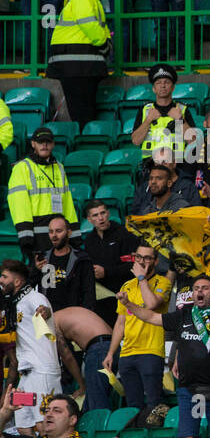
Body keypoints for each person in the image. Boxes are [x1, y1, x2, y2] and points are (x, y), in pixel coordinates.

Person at [120, 275, 210, 438]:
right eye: (196, 288)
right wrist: (128, 304)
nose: (200, 291)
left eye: (205, 288)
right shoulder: (184, 314)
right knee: (188, 437)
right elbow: (151, 317)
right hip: (192, 392)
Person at [104, 245, 172, 425]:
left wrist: (142, 278)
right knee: (133, 406)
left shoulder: (162, 282)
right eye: (139, 257)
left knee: (153, 405)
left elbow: (151, 305)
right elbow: (121, 322)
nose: (142, 261)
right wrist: (111, 353)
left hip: (151, 351)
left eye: (147, 258)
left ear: (156, 261)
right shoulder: (127, 285)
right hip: (127, 353)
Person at [0, 260, 62, 434]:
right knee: (23, 424)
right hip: (26, 373)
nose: (1, 280)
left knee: (44, 423)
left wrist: (44, 312)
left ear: (18, 281)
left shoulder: (34, 297)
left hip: (42, 371)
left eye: (5, 277)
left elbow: (43, 309)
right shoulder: (14, 304)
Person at [46, 0, 109, 126]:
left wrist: (103, 45)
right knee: (82, 112)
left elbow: (89, 25)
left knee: (81, 113)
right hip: (78, 66)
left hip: (78, 67)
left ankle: (87, 145)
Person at [7, 127, 77, 260]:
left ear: (53, 144)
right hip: (36, 233)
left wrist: (74, 233)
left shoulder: (59, 167)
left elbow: (67, 201)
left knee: (60, 275)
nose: (44, 145)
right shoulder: (22, 168)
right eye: (40, 142)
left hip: (59, 233)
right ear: (33, 144)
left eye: (48, 142)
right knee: (44, 277)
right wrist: (26, 235)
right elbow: (19, 203)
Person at [82, 199, 140, 326]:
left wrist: (106, 272)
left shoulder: (124, 234)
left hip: (126, 293)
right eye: (95, 215)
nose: (100, 218)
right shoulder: (89, 241)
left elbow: (134, 265)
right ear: (89, 219)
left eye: (102, 213)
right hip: (102, 297)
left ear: (108, 213)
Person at [35, 215, 94, 313]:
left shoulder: (82, 259)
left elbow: (89, 294)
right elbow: (29, 287)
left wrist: (85, 316)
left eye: (58, 231)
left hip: (72, 316)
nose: (54, 235)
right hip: (48, 314)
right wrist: (36, 271)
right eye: (51, 232)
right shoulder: (42, 258)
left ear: (69, 233)